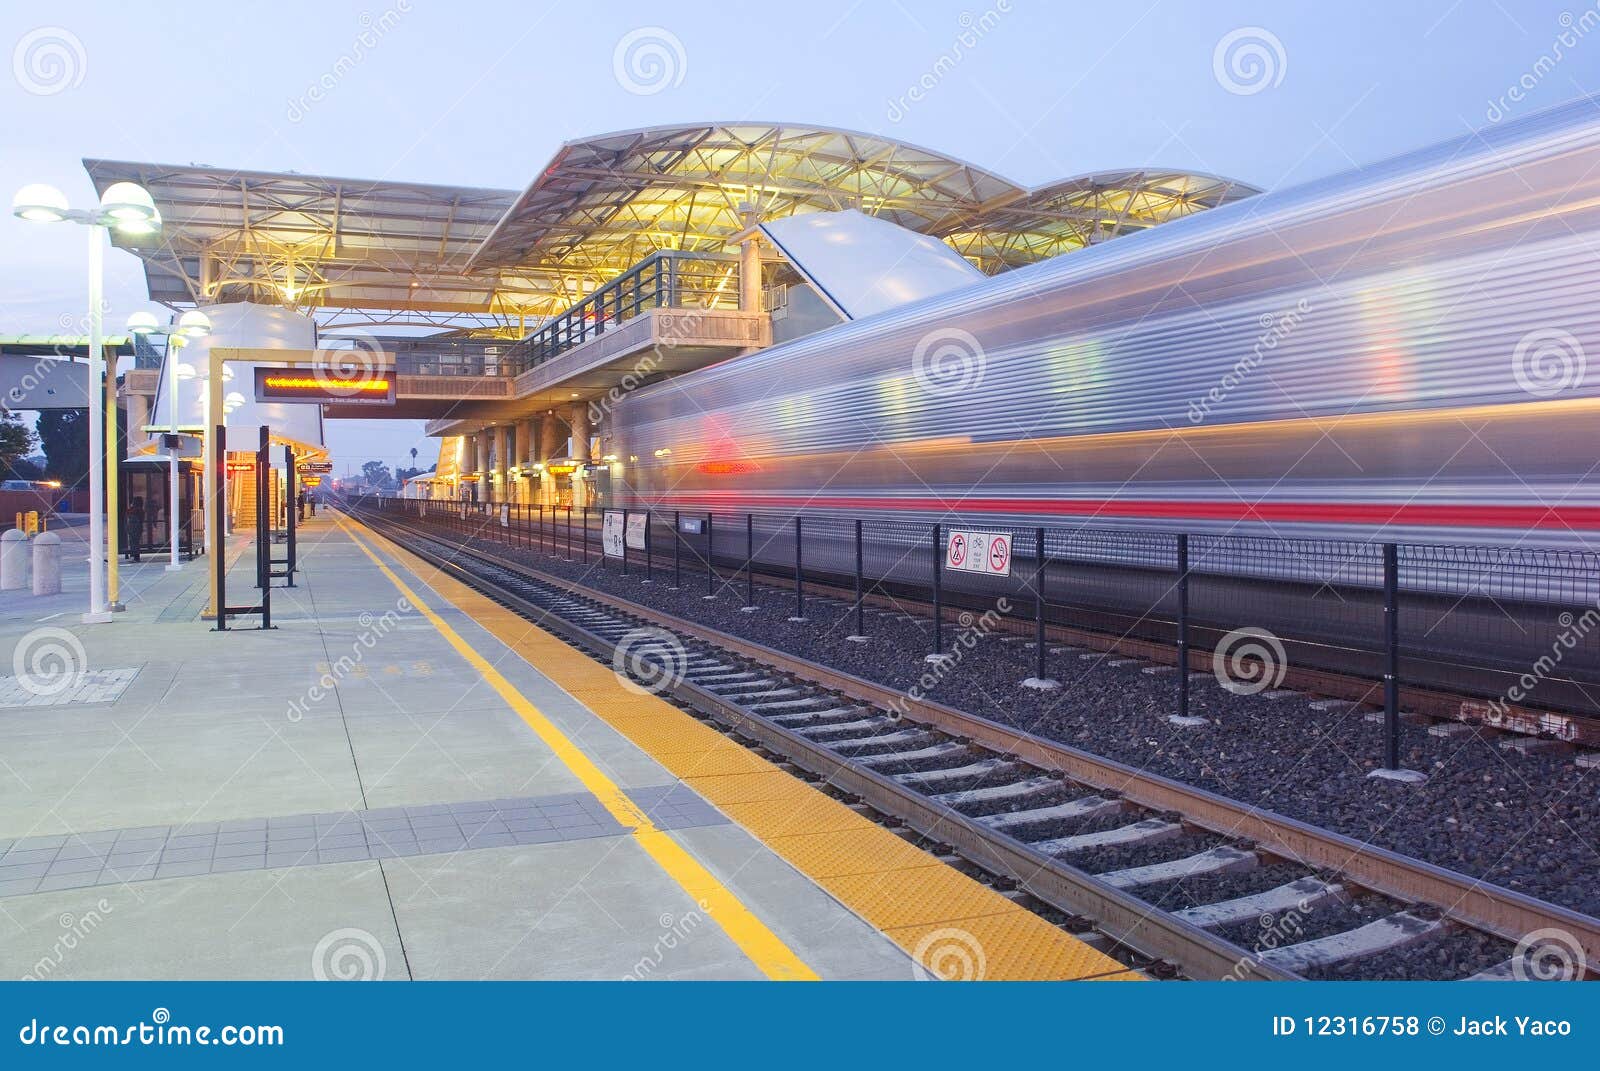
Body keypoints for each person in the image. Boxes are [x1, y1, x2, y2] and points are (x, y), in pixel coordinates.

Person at [126, 495, 145, 562]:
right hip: (137, 528)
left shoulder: (135, 509)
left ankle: (136, 557)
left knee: (134, 543)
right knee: (135, 543)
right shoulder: (141, 510)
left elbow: (128, 512)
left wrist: (131, 506)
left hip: (134, 528)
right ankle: (135, 557)